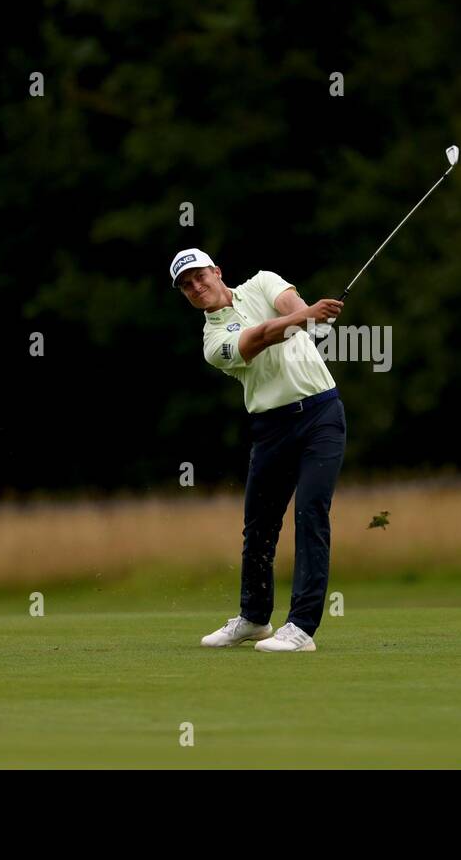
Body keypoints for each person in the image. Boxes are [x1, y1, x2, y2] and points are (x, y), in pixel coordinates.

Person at [170, 248, 347, 652]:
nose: (196, 287)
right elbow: (260, 338)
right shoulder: (213, 341)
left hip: (322, 414)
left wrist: (307, 314)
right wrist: (306, 318)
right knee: (260, 528)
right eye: (186, 285)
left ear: (217, 272)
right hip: (272, 428)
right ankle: (254, 619)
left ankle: (301, 628)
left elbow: (292, 305)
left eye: (200, 276)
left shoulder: (263, 281)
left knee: (310, 511)